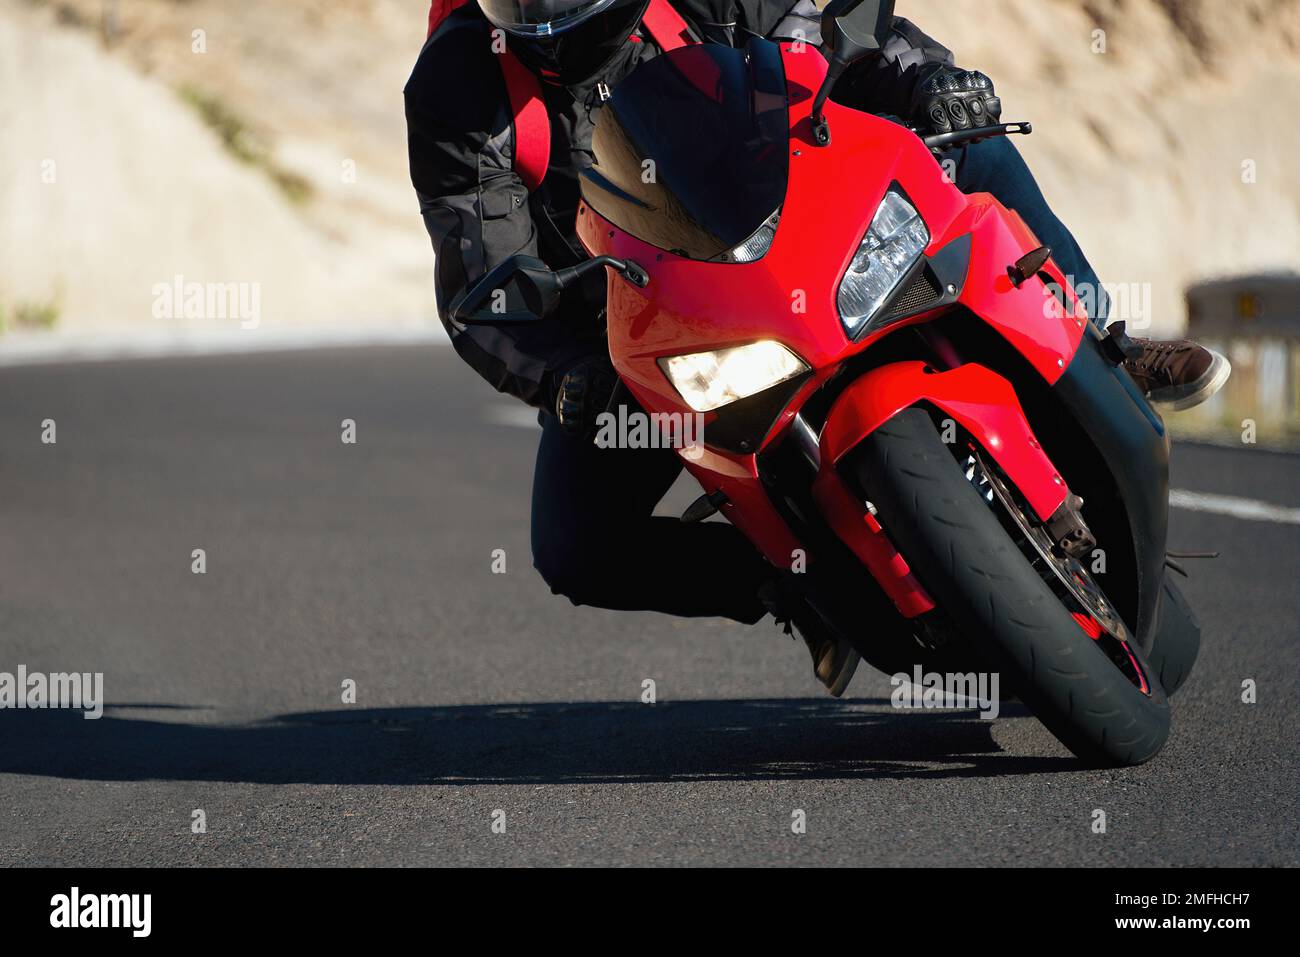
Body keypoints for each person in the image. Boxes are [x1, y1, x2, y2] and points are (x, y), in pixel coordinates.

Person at [405, 0, 1229, 696]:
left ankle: (1099, 335)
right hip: (647, 331)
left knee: (969, 139)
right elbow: (483, 285)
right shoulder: (457, 85)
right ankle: (793, 587)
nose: (552, 15)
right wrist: (566, 376)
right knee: (576, 549)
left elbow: (845, 31)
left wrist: (931, 80)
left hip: (808, 208)